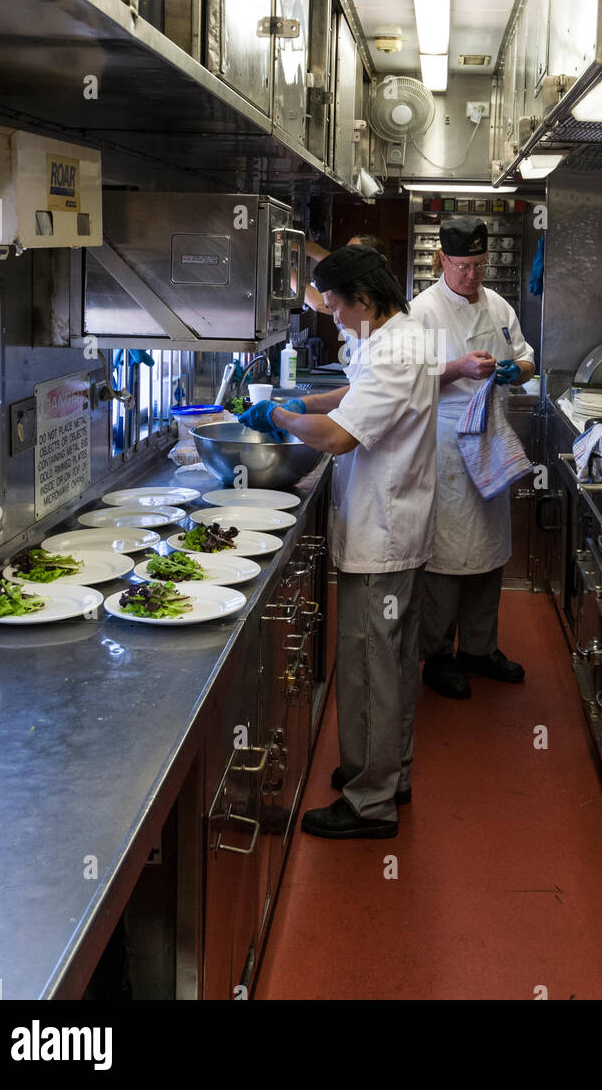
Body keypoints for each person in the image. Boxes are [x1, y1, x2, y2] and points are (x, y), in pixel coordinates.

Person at [238, 246, 438, 838]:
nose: (334, 320)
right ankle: (386, 773)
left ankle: (368, 803)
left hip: (384, 534)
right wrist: (300, 402)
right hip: (395, 523)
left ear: (365, 301)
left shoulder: (399, 350)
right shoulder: (396, 336)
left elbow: (335, 438)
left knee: (370, 666)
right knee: (393, 663)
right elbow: (351, 394)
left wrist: (282, 417)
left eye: (336, 310)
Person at [409, 215, 535, 700]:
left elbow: (526, 357)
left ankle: (479, 650)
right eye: (463, 266)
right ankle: (437, 656)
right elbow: (406, 379)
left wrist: (513, 372)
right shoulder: (421, 312)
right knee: (445, 553)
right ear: (443, 260)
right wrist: (456, 367)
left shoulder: (499, 306)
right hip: (444, 447)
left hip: (489, 442)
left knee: (489, 549)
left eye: (480, 266)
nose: (472, 276)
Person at [301, 233, 388, 315]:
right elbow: (319, 252)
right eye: (345, 251)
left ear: (365, 264)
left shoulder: (365, 294)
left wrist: (288, 272)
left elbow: (318, 304)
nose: (344, 255)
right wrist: (293, 243)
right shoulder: (351, 269)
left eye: (350, 253)